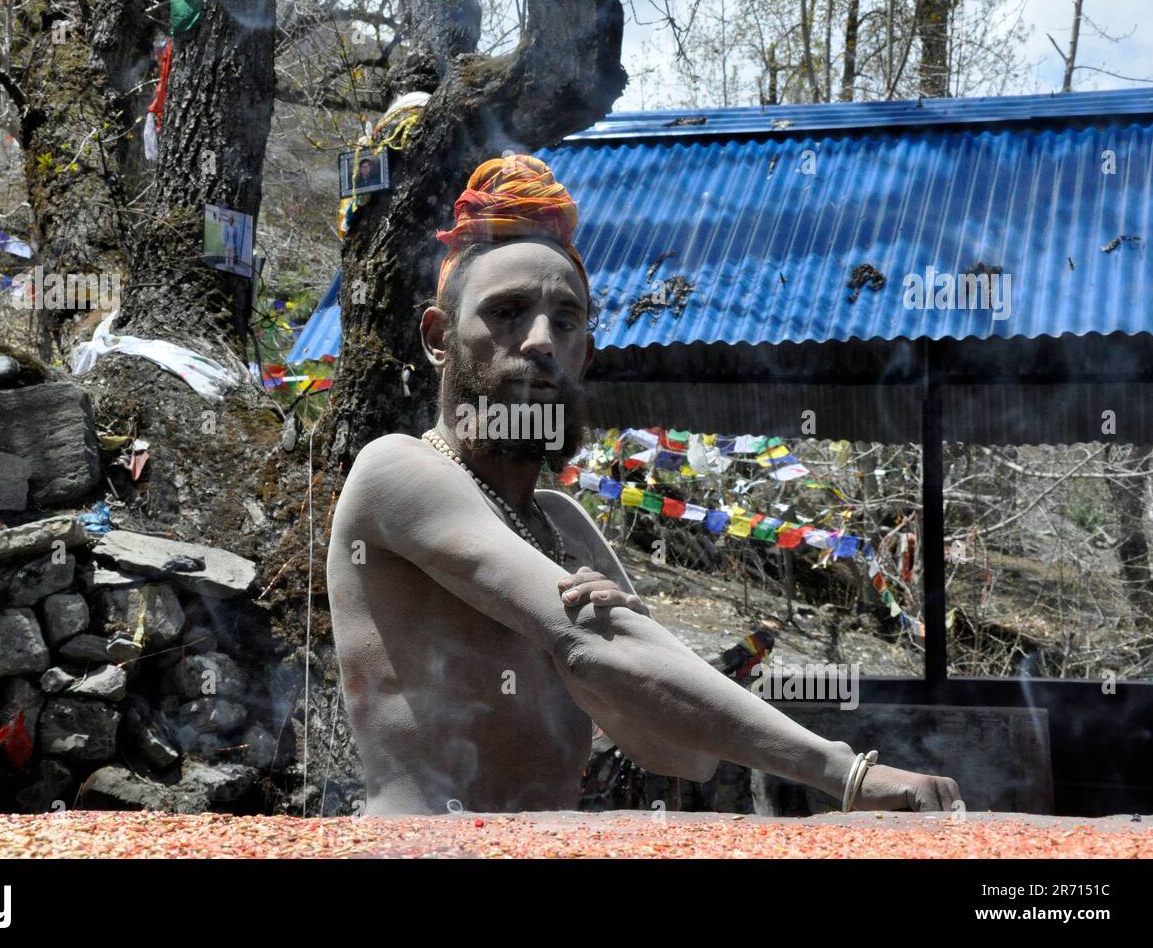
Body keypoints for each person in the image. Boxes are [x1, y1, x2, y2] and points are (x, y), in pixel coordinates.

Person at [327, 153, 961, 816]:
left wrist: (600, 670)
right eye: (508, 312)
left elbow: (684, 756)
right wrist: (846, 773)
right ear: (437, 337)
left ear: (585, 354)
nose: (541, 341)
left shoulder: (563, 523)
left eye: (565, 322)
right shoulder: (395, 470)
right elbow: (590, 640)